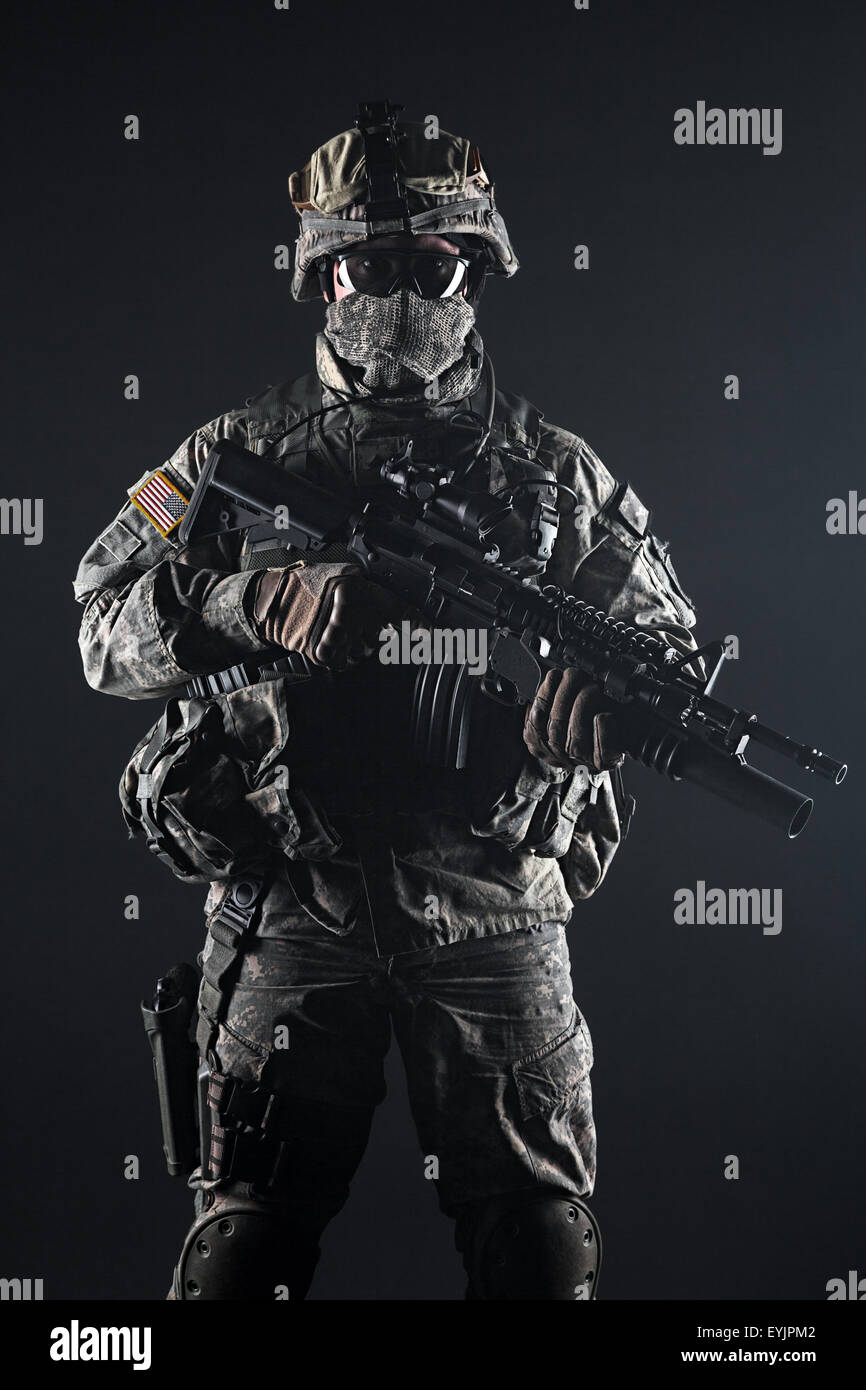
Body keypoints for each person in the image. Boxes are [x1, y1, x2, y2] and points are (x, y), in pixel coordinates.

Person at [73, 102, 700, 1300]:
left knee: (539, 1246)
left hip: (491, 900)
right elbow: (101, 627)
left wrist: (602, 703)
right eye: (373, 266)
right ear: (322, 275)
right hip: (291, 894)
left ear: (476, 274)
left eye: (435, 266)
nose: (404, 294)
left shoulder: (553, 475)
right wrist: (248, 602)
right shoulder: (227, 458)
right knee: (242, 1251)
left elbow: (660, 644)